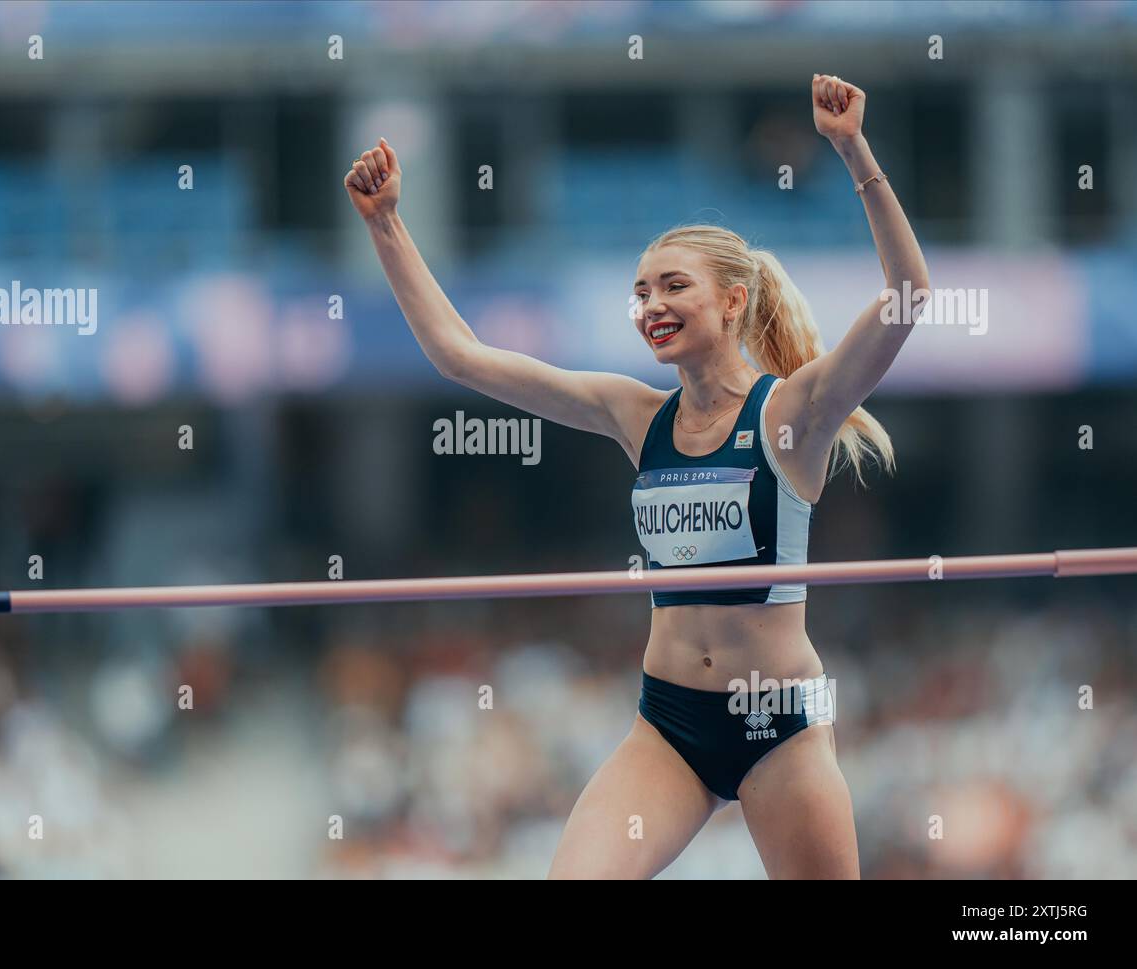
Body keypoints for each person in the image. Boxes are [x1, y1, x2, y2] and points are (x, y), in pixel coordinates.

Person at [343, 74, 929, 879]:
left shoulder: (793, 413)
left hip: (781, 724)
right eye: (640, 292)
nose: (651, 303)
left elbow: (909, 297)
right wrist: (387, 226)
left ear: (731, 304)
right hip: (670, 726)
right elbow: (461, 356)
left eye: (672, 286)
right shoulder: (634, 413)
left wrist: (852, 149)